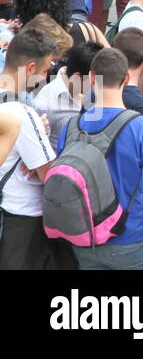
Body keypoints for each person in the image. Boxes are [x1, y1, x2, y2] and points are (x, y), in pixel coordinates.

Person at [57, 47, 143, 270]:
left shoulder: (72, 127)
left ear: (92, 78)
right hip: (132, 237)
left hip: (85, 239)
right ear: (127, 78)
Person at [0, 27, 75, 269]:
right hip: (22, 219)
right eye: (44, 70)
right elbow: (49, 174)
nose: (44, 77)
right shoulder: (22, 114)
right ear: (30, 68)